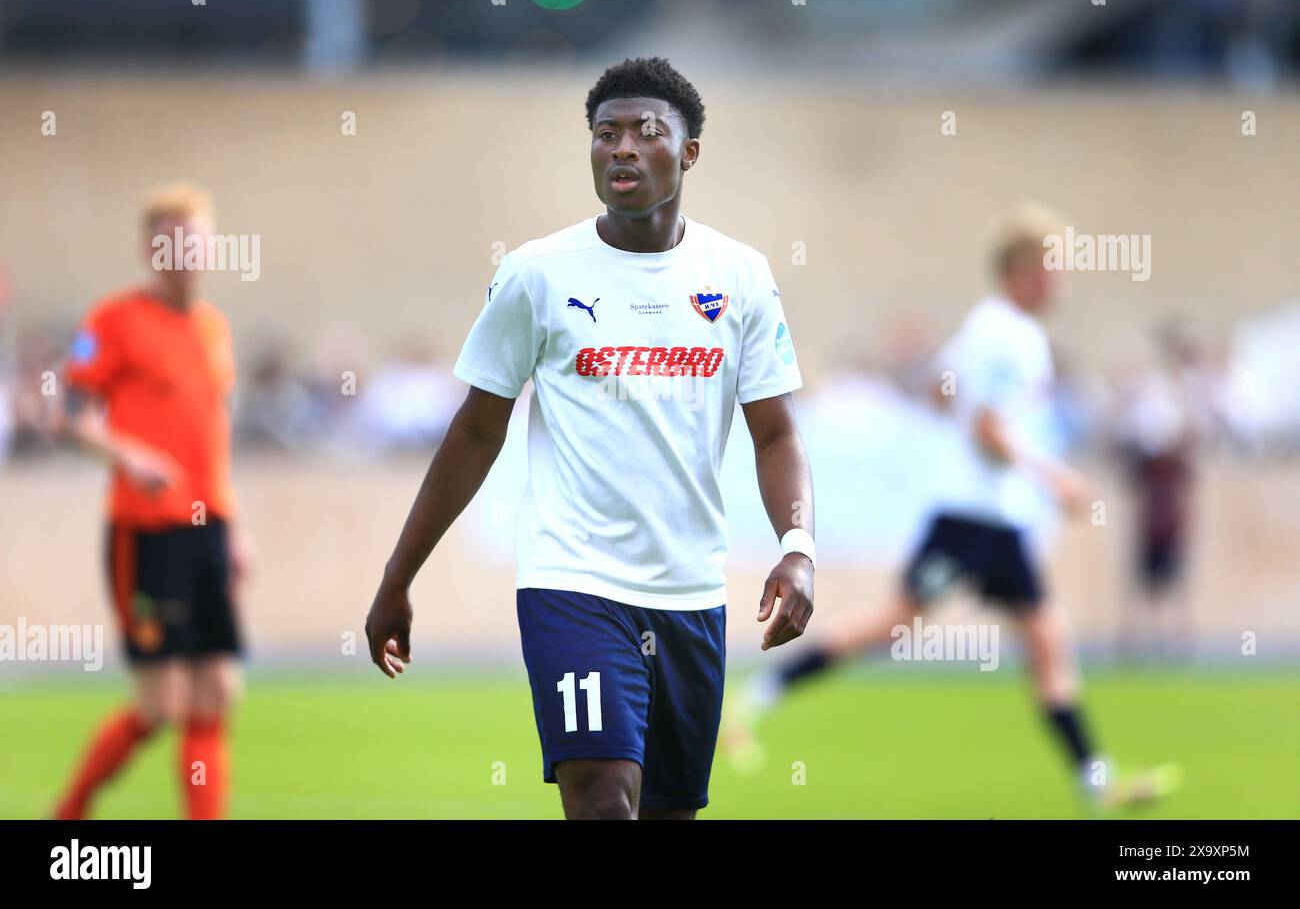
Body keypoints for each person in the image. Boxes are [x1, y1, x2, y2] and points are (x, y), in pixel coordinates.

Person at [364, 57, 815, 819]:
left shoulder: (740, 276)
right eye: (606, 134)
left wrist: (798, 546)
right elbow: (476, 430)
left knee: (667, 811)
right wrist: (397, 577)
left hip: (690, 592)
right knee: (604, 800)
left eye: (647, 132)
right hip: (571, 583)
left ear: (691, 152)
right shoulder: (537, 274)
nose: (623, 148)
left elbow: (775, 434)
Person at [726, 203, 1179, 810]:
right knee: (899, 622)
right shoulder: (1005, 336)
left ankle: (1095, 781)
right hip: (969, 518)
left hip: (994, 518)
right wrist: (1055, 478)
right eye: (1056, 269)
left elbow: (955, 404)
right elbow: (987, 428)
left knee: (1047, 637)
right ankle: (760, 694)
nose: (1062, 283)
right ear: (1027, 269)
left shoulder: (998, 331)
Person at [53, 183, 251, 820]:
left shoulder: (213, 328)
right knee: (159, 704)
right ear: (149, 249)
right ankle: (69, 814)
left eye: (195, 237)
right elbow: (70, 416)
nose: (185, 250)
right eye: (170, 239)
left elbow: (211, 441)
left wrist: (234, 527)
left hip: (208, 528)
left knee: (218, 688)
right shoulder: (114, 320)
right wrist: (128, 454)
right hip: (147, 532)